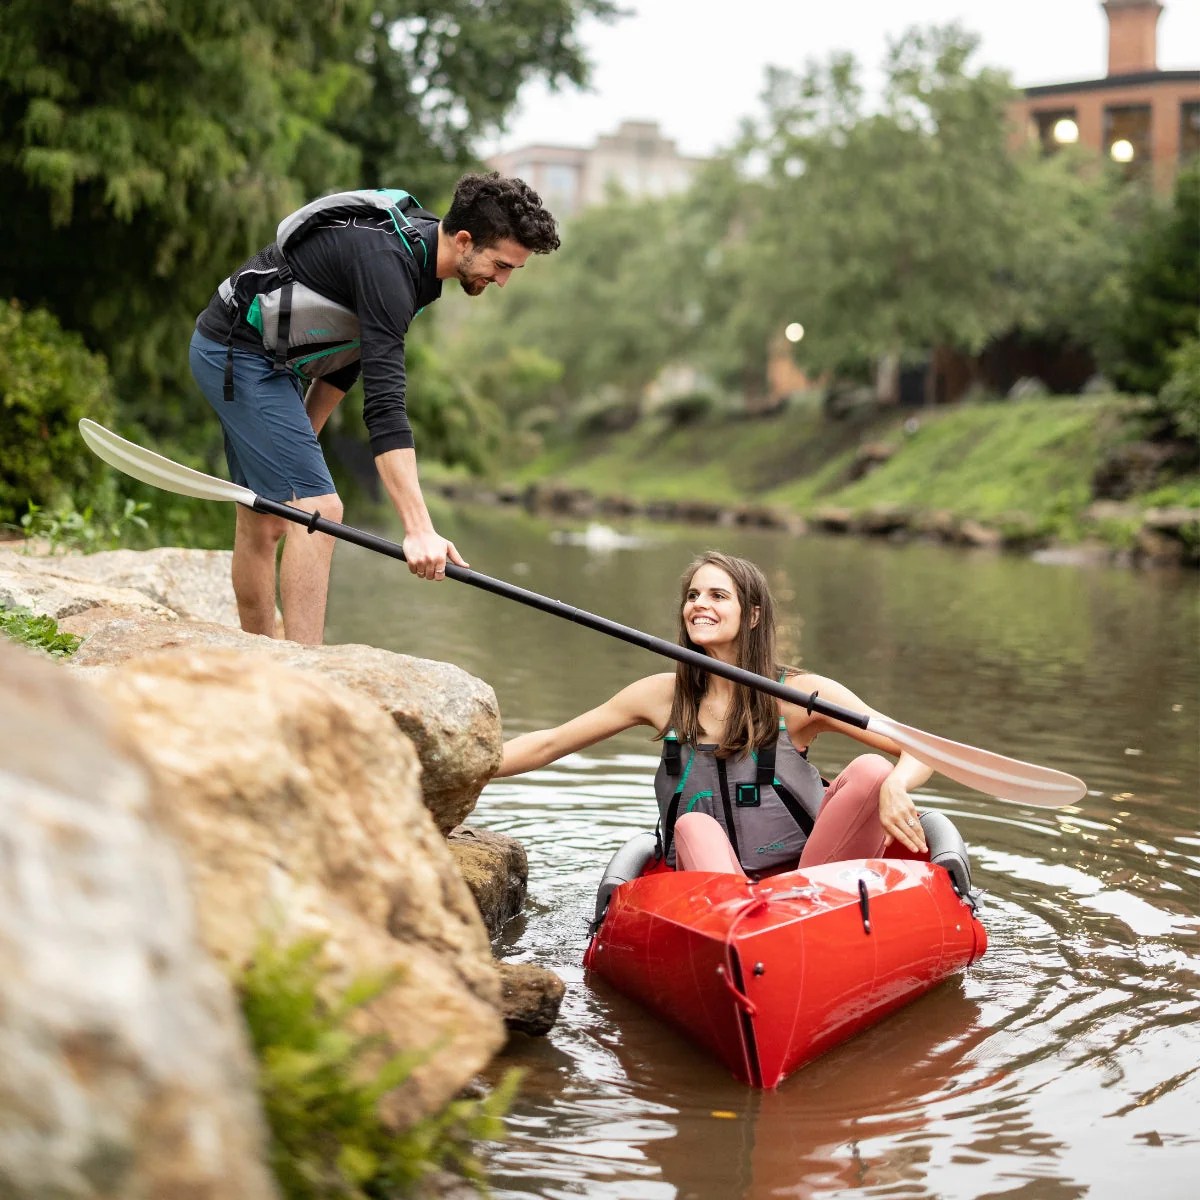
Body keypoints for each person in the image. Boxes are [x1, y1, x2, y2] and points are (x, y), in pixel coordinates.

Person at [189, 172, 560, 644]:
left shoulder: (422, 260)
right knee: (318, 510)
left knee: (269, 519)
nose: (503, 280)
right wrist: (420, 529)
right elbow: (385, 406)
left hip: (275, 366)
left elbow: (346, 358)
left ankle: (262, 662)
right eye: (502, 264)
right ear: (464, 240)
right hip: (235, 354)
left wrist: (304, 438)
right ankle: (303, 673)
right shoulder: (389, 262)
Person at [495, 551, 933, 876]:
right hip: (713, 900)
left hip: (807, 882)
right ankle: (739, 928)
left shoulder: (800, 695)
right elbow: (549, 743)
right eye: (692, 595)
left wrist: (897, 783)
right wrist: (460, 769)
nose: (698, 604)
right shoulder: (660, 696)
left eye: (717, 595)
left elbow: (922, 750)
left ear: (753, 614)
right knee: (695, 827)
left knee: (874, 768)